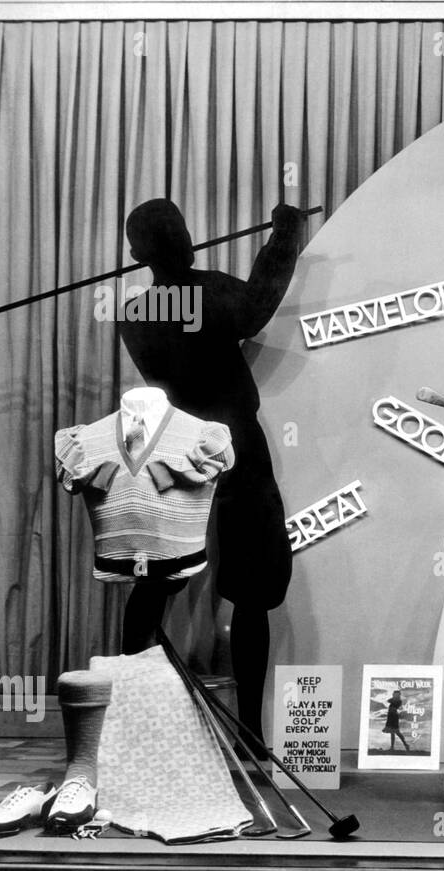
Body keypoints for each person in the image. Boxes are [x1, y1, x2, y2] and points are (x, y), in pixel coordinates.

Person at [117, 199, 306, 748]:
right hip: (230, 442)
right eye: (173, 230)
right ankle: (247, 732)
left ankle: (172, 724)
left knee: (162, 580)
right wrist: (285, 236)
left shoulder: (133, 314)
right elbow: (255, 307)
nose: (183, 236)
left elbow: (238, 311)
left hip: (173, 443)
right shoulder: (209, 293)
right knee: (250, 581)